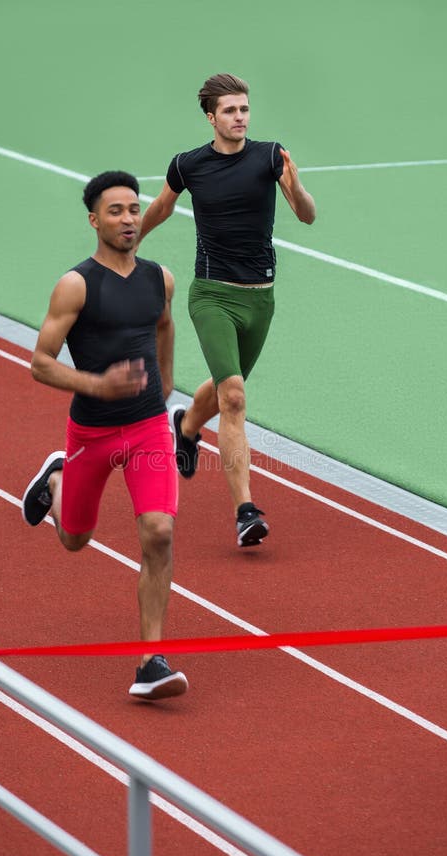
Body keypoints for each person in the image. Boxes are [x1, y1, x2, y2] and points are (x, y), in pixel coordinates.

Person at [21, 170, 188, 701]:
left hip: (148, 428)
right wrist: (98, 384)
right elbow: (41, 363)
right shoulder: (76, 285)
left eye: (134, 209)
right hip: (91, 434)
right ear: (94, 220)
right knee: (75, 539)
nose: (128, 219)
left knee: (159, 532)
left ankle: (151, 662)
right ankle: (55, 481)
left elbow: (164, 325)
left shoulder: (159, 278)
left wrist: (164, 384)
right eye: (116, 211)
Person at [138, 73, 316, 548]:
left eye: (244, 109)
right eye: (230, 111)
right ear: (211, 117)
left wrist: (296, 186)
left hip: (261, 299)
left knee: (224, 387)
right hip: (212, 296)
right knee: (234, 396)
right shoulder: (188, 165)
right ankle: (245, 512)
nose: (240, 118)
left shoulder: (270, 156)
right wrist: (131, 245)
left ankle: (186, 426)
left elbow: (306, 215)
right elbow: (161, 207)